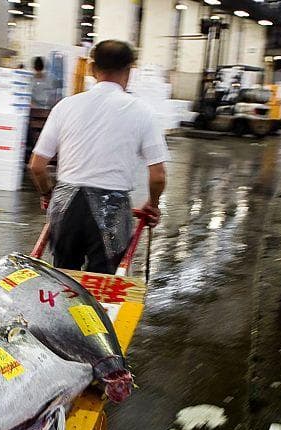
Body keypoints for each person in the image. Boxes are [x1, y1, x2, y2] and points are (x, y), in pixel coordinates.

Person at [28, 40, 167, 274]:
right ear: (129, 70)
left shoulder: (66, 106)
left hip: (65, 208)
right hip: (112, 210)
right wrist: (153, 205)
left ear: (93, 69)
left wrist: (47, 194)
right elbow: (158, 176)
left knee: (63, 280)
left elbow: (37, 166)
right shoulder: (143, 112)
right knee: (102, 286)